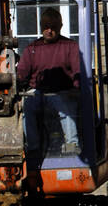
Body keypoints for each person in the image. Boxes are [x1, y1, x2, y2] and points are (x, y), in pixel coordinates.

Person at [16, 8, 81, 157]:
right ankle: (33, 147)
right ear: (41, 26)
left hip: (62, 91)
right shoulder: (32, 49)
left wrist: (76, 88)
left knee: (65, 108)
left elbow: (78, 71)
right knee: (27, 108)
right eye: (46, 26)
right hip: (38, 92)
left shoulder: (70, 46)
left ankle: (72, 145)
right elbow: (23, 72)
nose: (49, 31)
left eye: (53, 27)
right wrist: (15, 80)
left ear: (60, 26)